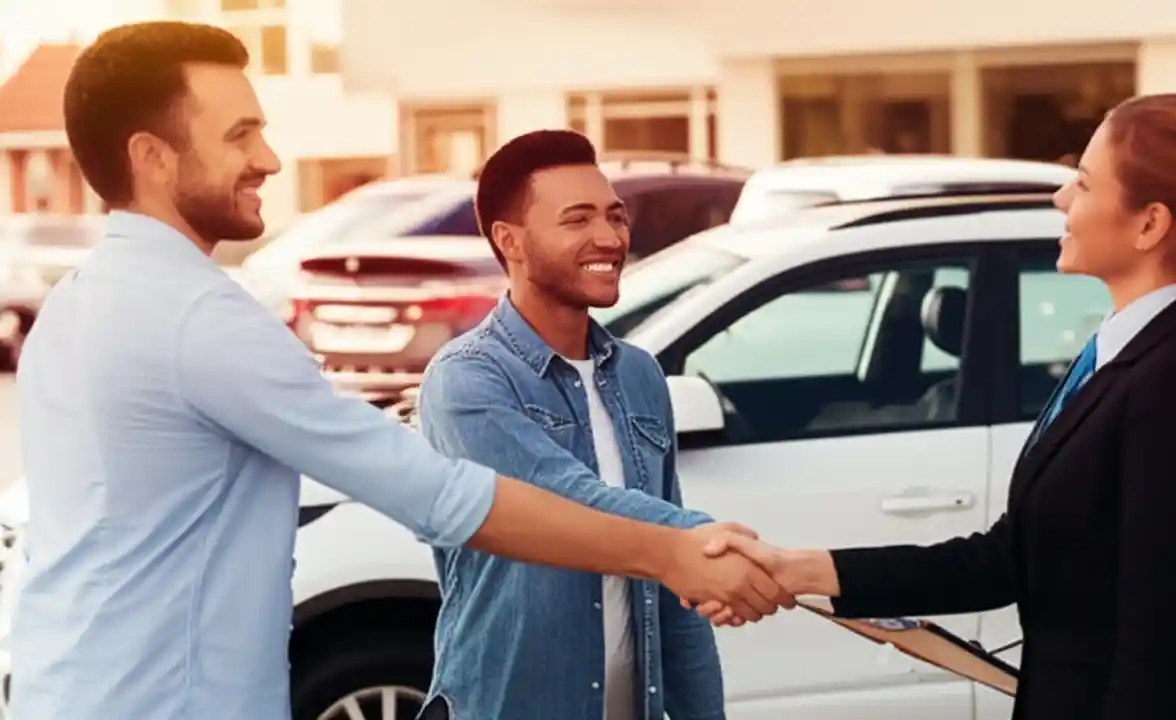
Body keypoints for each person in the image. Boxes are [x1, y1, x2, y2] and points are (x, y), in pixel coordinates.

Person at [12, 22, 788, 720]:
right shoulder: (195, 316)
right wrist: (670, 552)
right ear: (151, 156)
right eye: (241, 134)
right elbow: (437, 494)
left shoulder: (78, 306)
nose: (269, 158)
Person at [692, 92, 1176, 720]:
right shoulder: (1129, 352)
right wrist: (798, 570)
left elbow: (1159, 649)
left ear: (1149, 224)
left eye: (1082, 184)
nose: (1060, 200)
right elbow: (1010, 558)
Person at [415, 130, 734, 720]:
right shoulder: (467, 381)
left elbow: (673, 599)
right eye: (578, 219)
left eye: (615, 216)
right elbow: (571, 501)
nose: (610, 238)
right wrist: (714, 542)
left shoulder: (638, 374)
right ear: (509, 241)